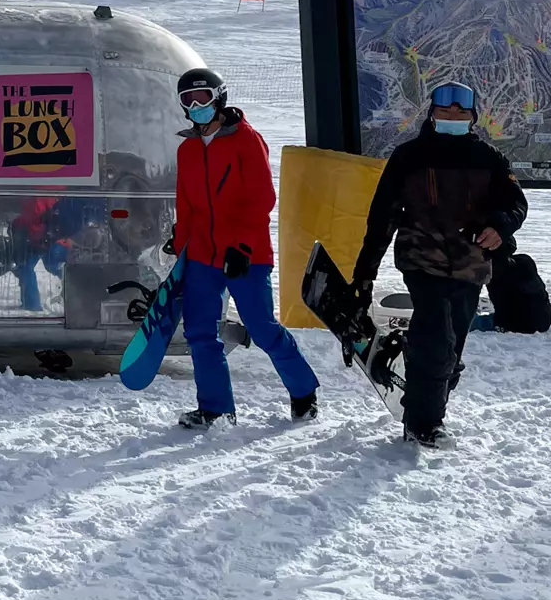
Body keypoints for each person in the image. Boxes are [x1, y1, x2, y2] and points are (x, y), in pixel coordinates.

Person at [353, 81, 527, 447]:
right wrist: (364, 273)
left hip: (470, 263)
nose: (452, 118)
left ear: (472, 117)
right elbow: (381, 216)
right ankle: (424, 424)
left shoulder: (489, 158)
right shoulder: (408, 157)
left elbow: (516, 204)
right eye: (445, 112)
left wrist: (500, 225)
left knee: (450, 346)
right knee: (437, 336)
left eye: (461, 113)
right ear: (432, 113)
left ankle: (425, 385)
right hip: (422, 259)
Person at [170, 67, 319, 429]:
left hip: (245, 254)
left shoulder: (246, 140)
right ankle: (216, 409)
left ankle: (303, 392)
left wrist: (240, 245)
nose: (194, 106)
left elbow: (261, 198)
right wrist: (180, 246)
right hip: (203, 255)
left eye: (201, 98)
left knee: (262, 326)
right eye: (187, 100)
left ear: (218, 98)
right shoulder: (188, 149)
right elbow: (186, 204)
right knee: (200, 332)